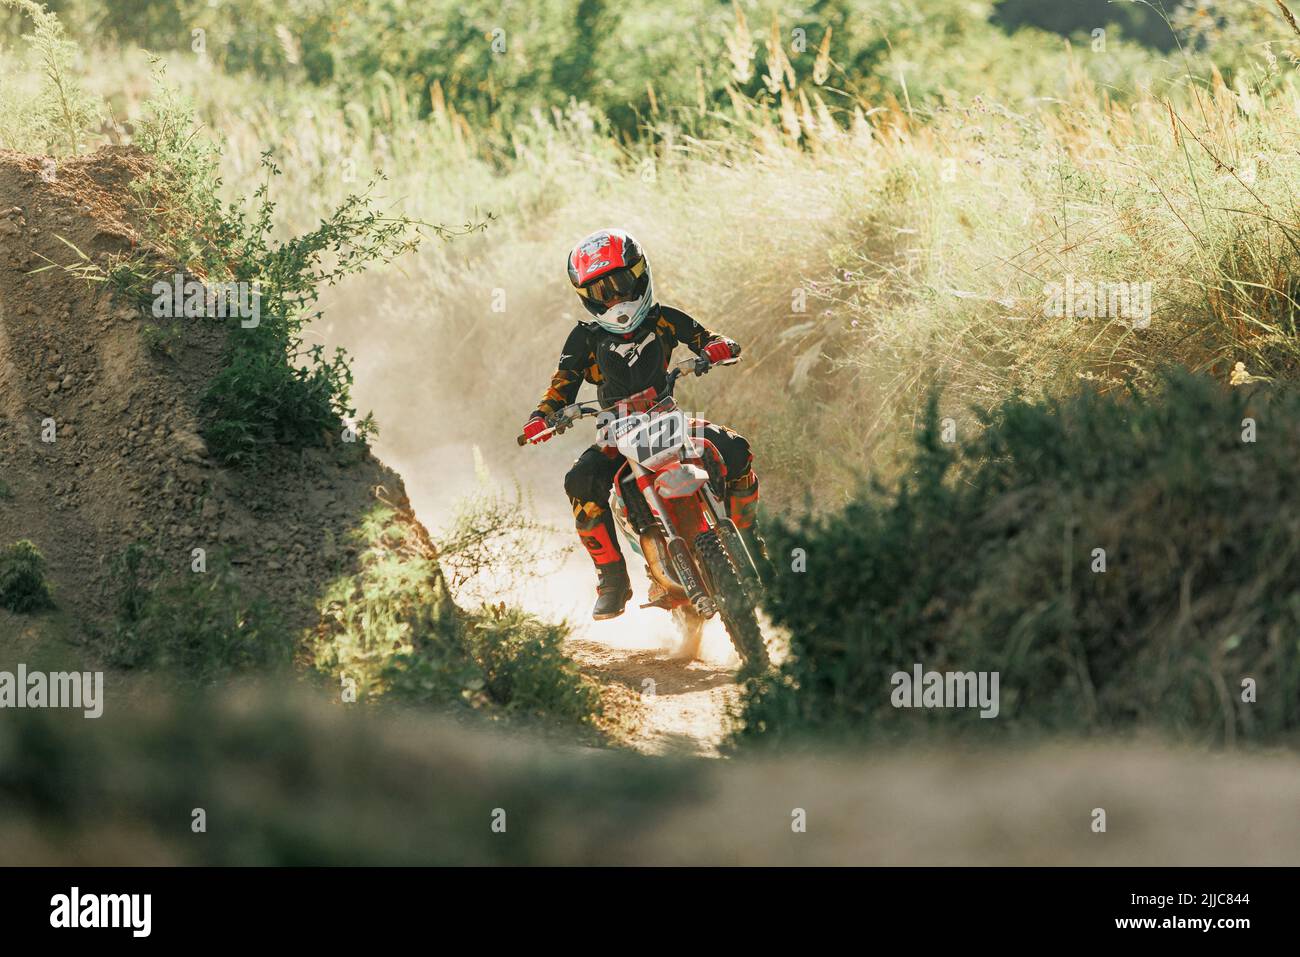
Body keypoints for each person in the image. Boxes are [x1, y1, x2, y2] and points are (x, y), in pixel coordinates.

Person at [522, 228, 764, 619]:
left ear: (640, 275)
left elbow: (705, 337)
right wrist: (542, 417)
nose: (614, 297)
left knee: (735, 449)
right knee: (580, 482)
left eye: (619, 284)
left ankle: (751, 542)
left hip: (669, 419)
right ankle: (612, 580)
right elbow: (561, 386)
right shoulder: (584, 338)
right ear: (587, 298)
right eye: (602, 291)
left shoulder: (665, 319)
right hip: (615, 435)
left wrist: (718, 348)